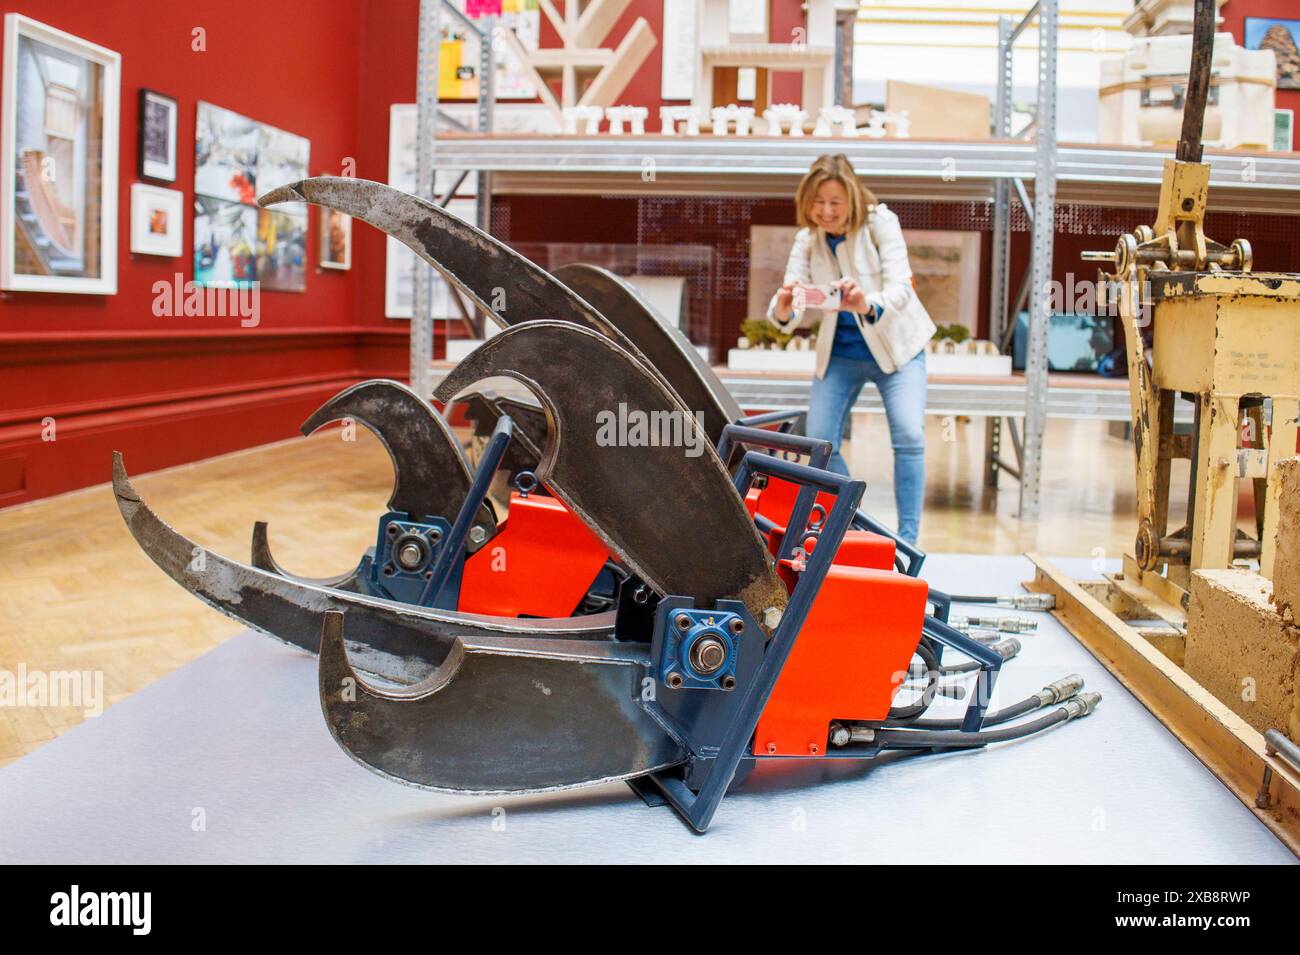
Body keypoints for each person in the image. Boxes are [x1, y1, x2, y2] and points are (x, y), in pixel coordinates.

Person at [768, 154, 935, 544]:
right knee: (822, 442)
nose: (826, 211)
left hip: (897, 351)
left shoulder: (880, 224)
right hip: (840, 355)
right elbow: (791, 297)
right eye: (818, 201)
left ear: (853, 199)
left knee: (909, 436)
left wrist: (867, 302)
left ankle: (908, 538)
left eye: (835, 202)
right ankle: (864, 525)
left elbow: (902, 285)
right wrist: (783, 306)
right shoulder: (807, 240)